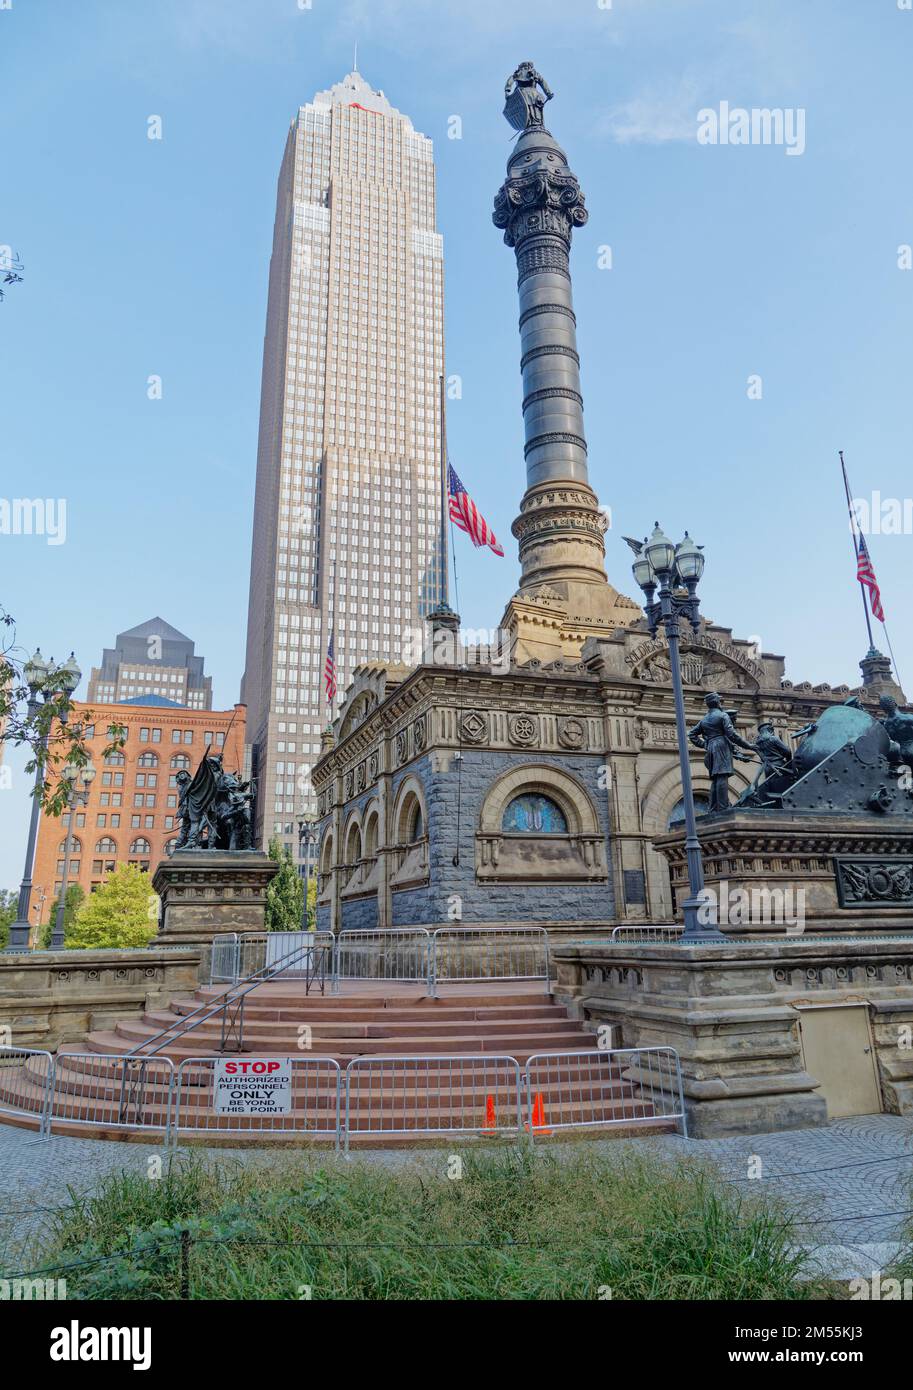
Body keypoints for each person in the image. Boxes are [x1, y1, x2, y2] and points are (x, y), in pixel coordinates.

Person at [688, 692, 756, 813]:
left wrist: (705, 744)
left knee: (716, 778)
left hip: (711, 748)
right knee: (722, 776)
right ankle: (723, 807)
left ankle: (714, 807)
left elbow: (692, 734)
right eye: (719, 701)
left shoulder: (704, 719)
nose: (721, 703)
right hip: (721, 747)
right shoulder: (722, 715)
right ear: (717, 702)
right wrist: (748, 745)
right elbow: (732, 734)